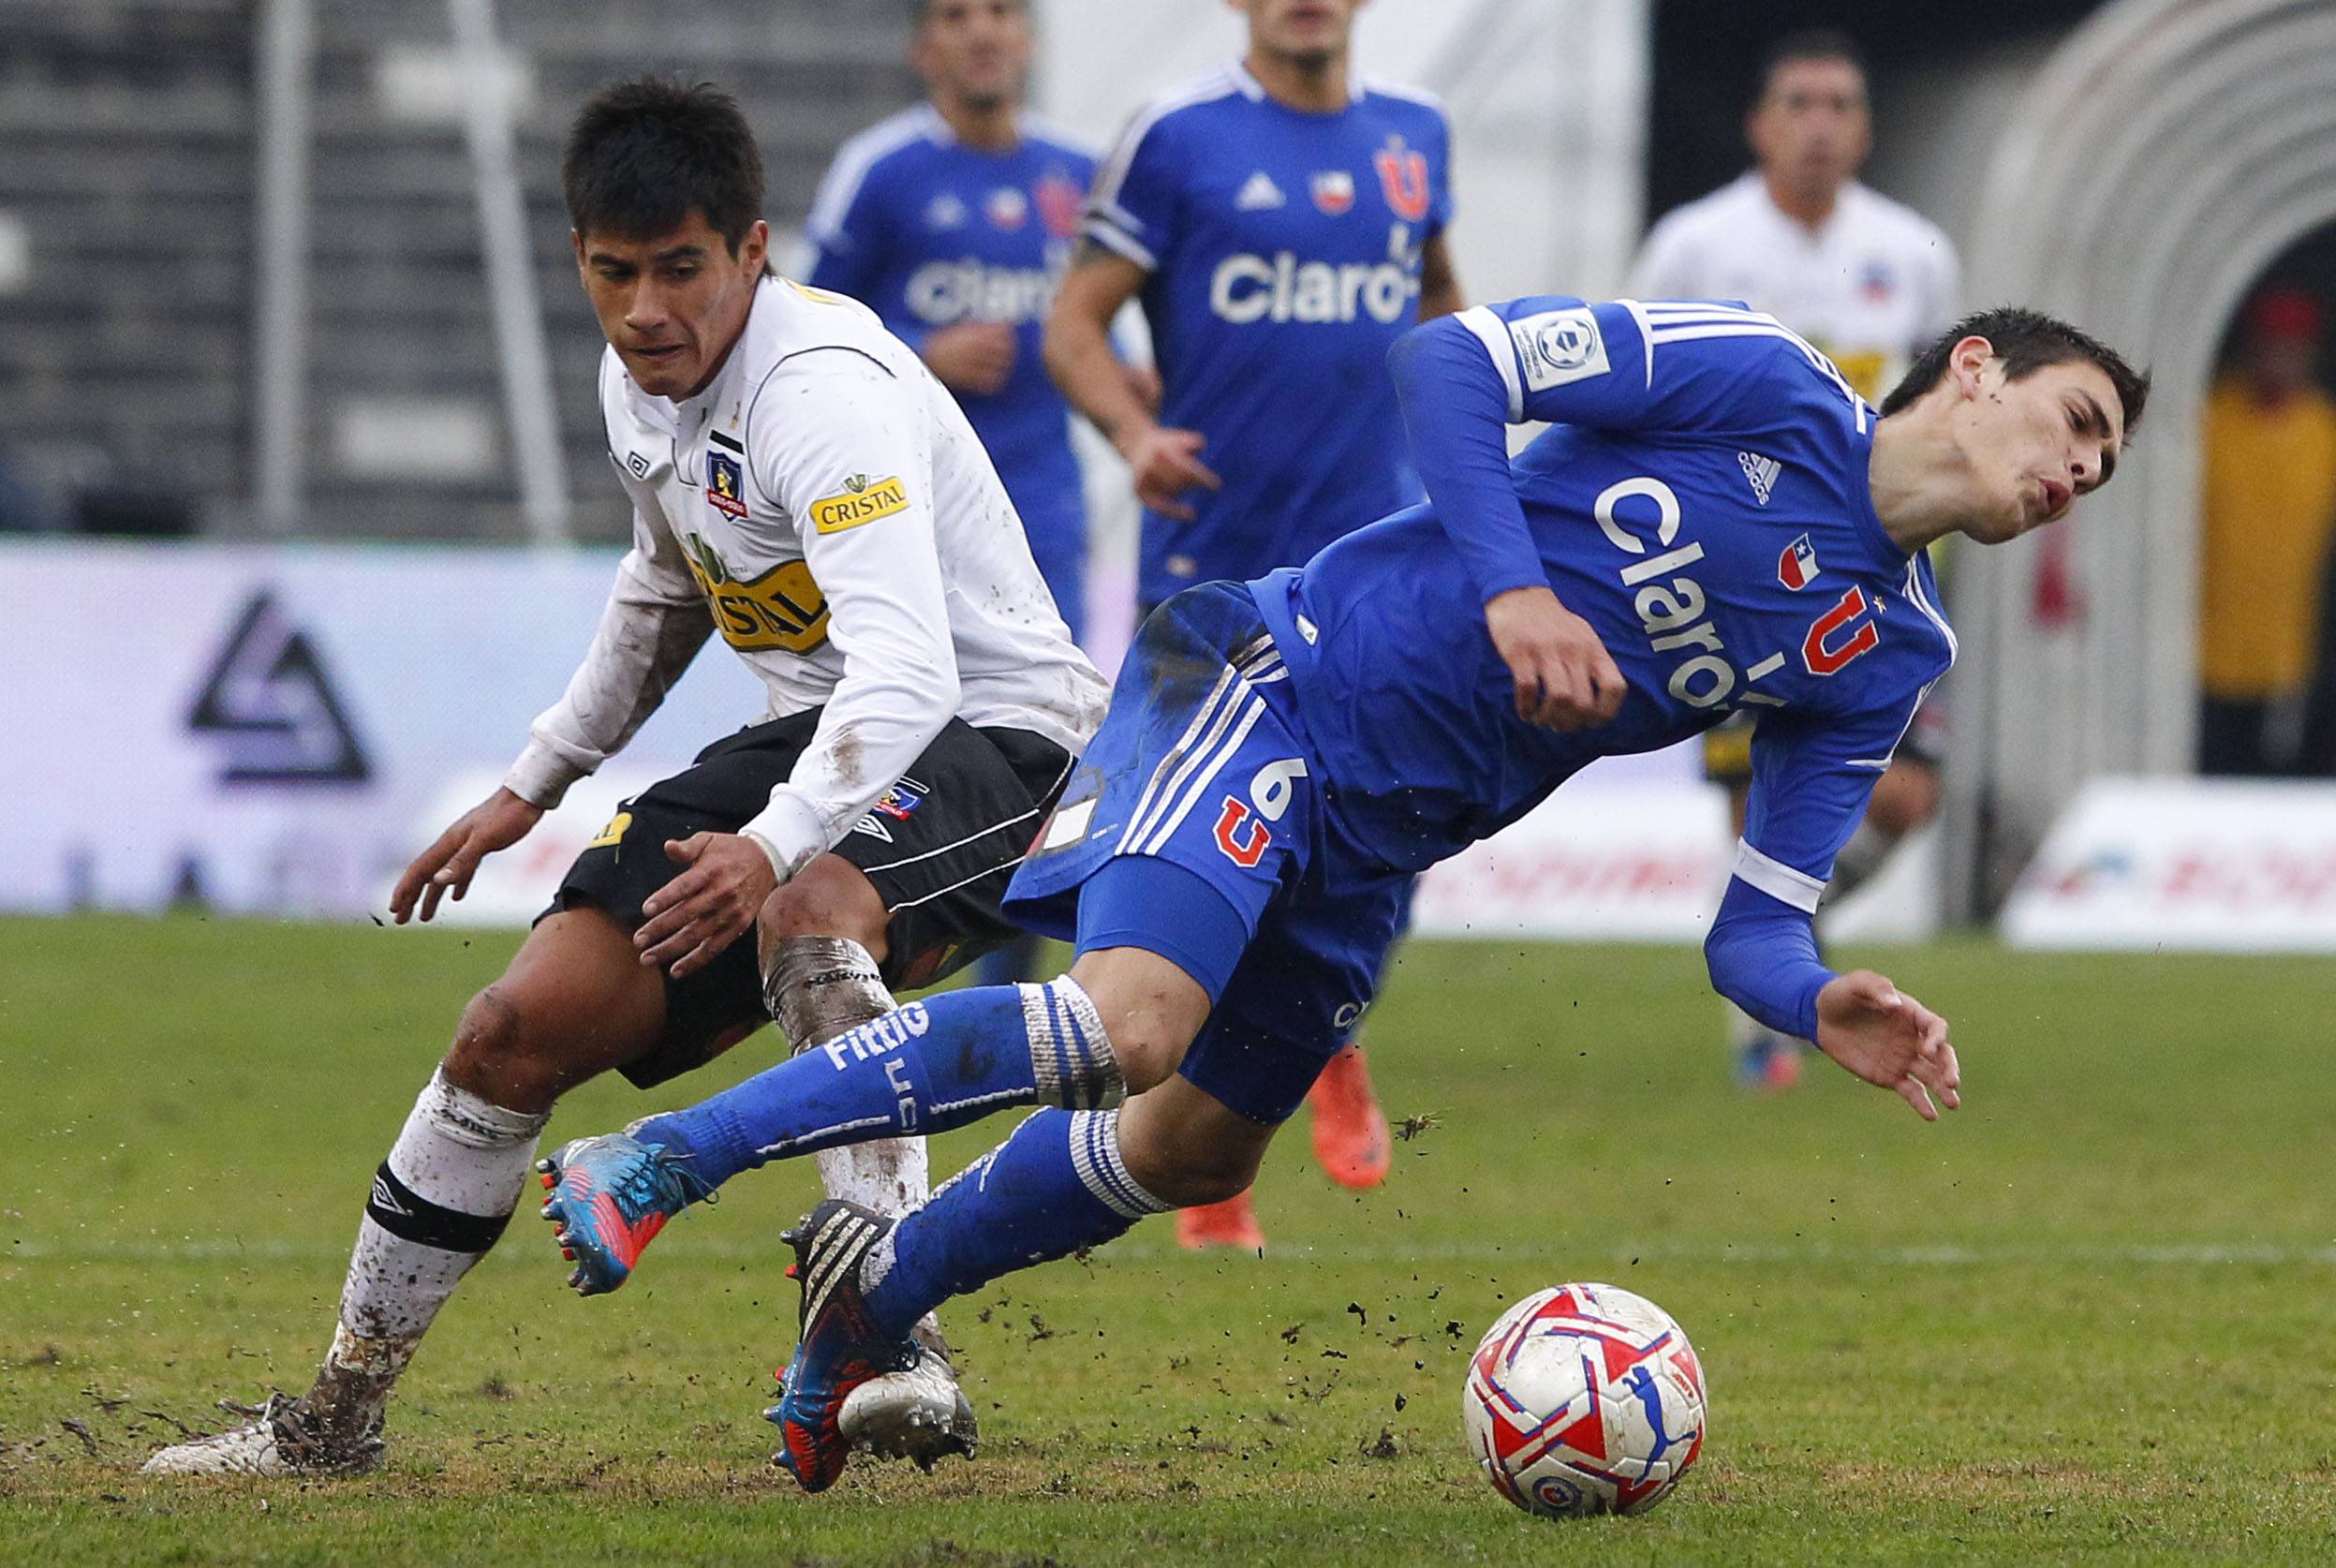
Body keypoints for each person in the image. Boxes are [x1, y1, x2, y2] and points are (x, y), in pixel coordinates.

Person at [540, 296, 2146, 1491]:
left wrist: (1816, 995)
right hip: (1272, 678)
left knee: (1188, 1146)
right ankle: (659, 1152)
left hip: (1377, 843)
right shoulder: (1771, 381)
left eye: (2107, 465)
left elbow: (1753, 923)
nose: (2080, 468)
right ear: (1979, 367)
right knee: (1135, 1027)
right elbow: (1452, 358)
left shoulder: (1892, 649)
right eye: (2075, 421)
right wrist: (1516, 587)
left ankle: (862, 1309)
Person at [140, 77, 1107, 1479]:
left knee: (814, 905)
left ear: (754, 253)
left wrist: (771, 842)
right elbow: (667, 590)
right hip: (823, 735)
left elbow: (912, 673)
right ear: (581, 261)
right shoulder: (638, 380)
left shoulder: (817, 396)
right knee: (511, 1027)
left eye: (680, 270)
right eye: (614, 273)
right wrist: (535, 782)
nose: (647, 308)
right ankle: (331, 1421)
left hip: (999, 731)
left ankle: (901, 1339)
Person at [1042, 0, 1465, 1250]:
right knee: (1197, 856)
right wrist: (1132, 431)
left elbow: (1442, 307)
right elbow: (1074, 321)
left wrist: (1466, 459)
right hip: (1213, 571)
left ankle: (1328, 1039)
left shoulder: (1415, 134)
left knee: (1389, 838)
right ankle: (1211, 1170)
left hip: (1371, 567)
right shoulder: (1177, 136)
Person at [1628, 29, 1959, 1090]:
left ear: (1864, 128)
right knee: (1754, 788)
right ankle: (1768, 1017)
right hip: (1739, 559)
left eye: (1840, 105)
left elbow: (1948, 410)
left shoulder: (1912, 253)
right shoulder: (1698, 244)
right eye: (1799, 103)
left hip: (1879, 571)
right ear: (1760, 124)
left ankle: (1773, 937)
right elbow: (1636, 377)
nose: (1819, 124)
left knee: (1909, 794)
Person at [793, 0, 1116, 992]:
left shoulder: (1077, 176)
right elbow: (802, 327)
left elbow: (1105, 337)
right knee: (906, 742)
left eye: (1002, 14)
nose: (983, 34)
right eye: (958, 16)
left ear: (1027, 40)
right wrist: (921, 349)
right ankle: (843, 954)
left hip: (1041, 523)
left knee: (1042, 756)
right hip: (902, 522)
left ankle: (1009, 990)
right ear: (923, 47)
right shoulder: (883, 172)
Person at [2196, 285, 2336, 775]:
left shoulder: (2330, 434)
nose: (2280, 359)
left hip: (2289, 659)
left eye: (2293, 348)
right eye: (2270, 345)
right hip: (2204, 653)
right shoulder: (2210, 420)